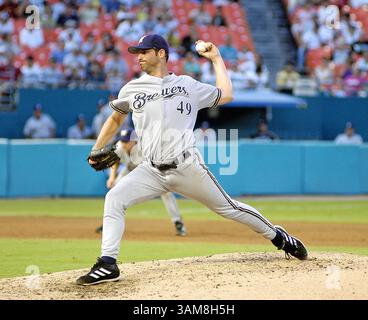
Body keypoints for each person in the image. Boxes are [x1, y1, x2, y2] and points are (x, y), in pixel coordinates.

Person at [76, 34, 308, 286]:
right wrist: (96, 148)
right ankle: (108, 263)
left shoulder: (188, 85)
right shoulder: (131, 88)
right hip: (151, 170)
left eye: (144, 51)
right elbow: (115, 119)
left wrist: (217, 58)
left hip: (187, 167)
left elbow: (226, 95)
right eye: (137, 52)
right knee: (114, 199)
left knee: (230, 208)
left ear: (161, 53)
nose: (139, 56)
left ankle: (279, 237)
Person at [95, 128, 187, 236]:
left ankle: (178, 223)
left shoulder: (144, 147)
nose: (124, 144)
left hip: (152, 171)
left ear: (134, 141)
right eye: (123, 141)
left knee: (166, 193)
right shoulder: (119, 146)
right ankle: (108, 223)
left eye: (126, 141)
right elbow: (115, 161)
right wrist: (112, 177)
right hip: (130, 170)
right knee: (114, 190)